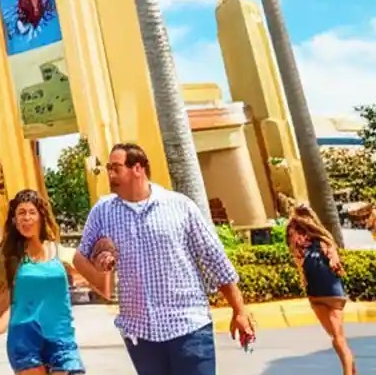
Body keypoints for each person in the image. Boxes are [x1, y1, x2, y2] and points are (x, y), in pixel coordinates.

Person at [79, 143, 255, 375]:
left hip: (189, 327)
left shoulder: (179, 206)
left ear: (138, 169)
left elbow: (214, 258)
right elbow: (82, 256)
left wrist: (239, 310)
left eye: (116, 168)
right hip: (140, 335)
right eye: (109, 169)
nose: (110, 175)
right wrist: (101, 275)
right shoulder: (102, 212)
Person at [0, 189, 113, 374]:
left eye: (31, 212)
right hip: (24, 340)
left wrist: (106, 263)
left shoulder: (61, 253)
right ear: (15, 221)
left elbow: (102, 285)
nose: (26, 218)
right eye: (21, 213)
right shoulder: (12, 260)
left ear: (41, 217)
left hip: (61, 340)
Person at [286, 203, 355, 375]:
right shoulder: (324, 240)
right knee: (339, 340)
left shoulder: (298, 241)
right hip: (332, 291)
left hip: (317, 293)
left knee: (338, 340)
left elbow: (301, 265)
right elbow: (334, 260)